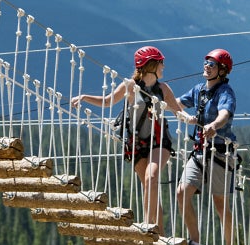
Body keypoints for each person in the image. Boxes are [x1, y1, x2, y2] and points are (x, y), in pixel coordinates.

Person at [71, 45, 184, 228]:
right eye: (161, 63)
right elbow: (107, 102)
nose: (163, 66)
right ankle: (160, 236)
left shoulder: (163, 89)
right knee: (150, 187)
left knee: (151, 178)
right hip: (137, 144)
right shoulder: (130, 86)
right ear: (151, 65)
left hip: (159, 141)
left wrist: (198, 121)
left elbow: (179, 113)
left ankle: (147, 226)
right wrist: (84, 97)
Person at [176, 48, 238, 245]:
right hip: (200, 151)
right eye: (206, 61)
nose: (207, 66)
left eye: (212, 64)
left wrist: (213, 125)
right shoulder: (199, 90)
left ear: (222, 70)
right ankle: (195, 243)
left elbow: (224, 113)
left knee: (220, 204)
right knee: (182, 192)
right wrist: (158, 105)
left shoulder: (225, 92)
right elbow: (176, 103)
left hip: (220, 153)